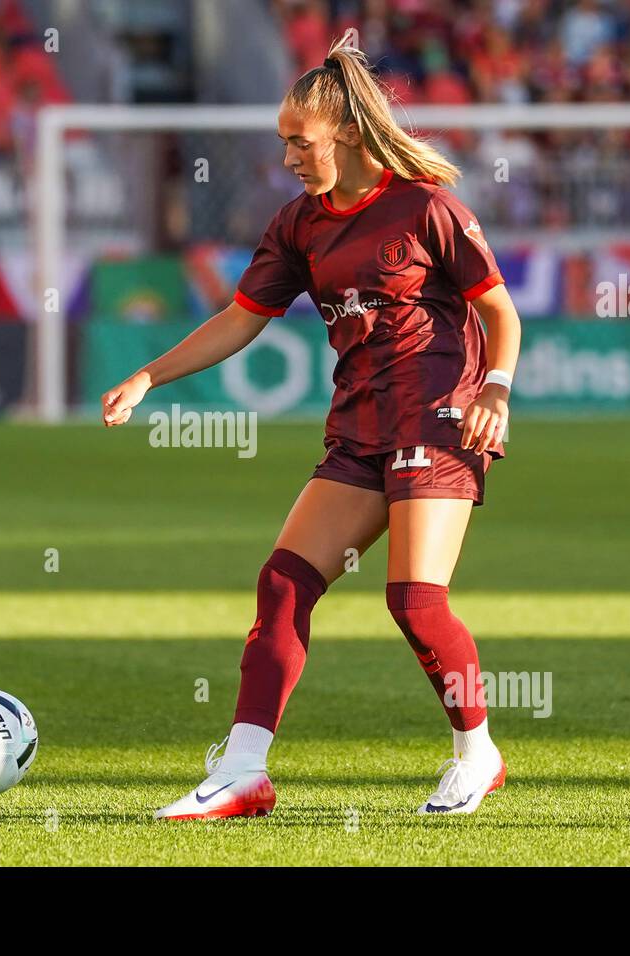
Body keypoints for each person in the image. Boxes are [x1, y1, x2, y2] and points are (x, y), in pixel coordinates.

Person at [101, 36, 523, 820]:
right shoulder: (299, 225)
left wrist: (497, 386)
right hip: (360, 425)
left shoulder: (428, 207)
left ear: (350, 134)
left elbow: (500, 310)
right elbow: (240, 319)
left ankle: (477, 752)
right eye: (285, 142)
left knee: (415, 600)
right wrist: (150, 375)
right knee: (284, 584)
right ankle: (244, 772)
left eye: (302, 140)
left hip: (439, 419)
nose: (290, 155)